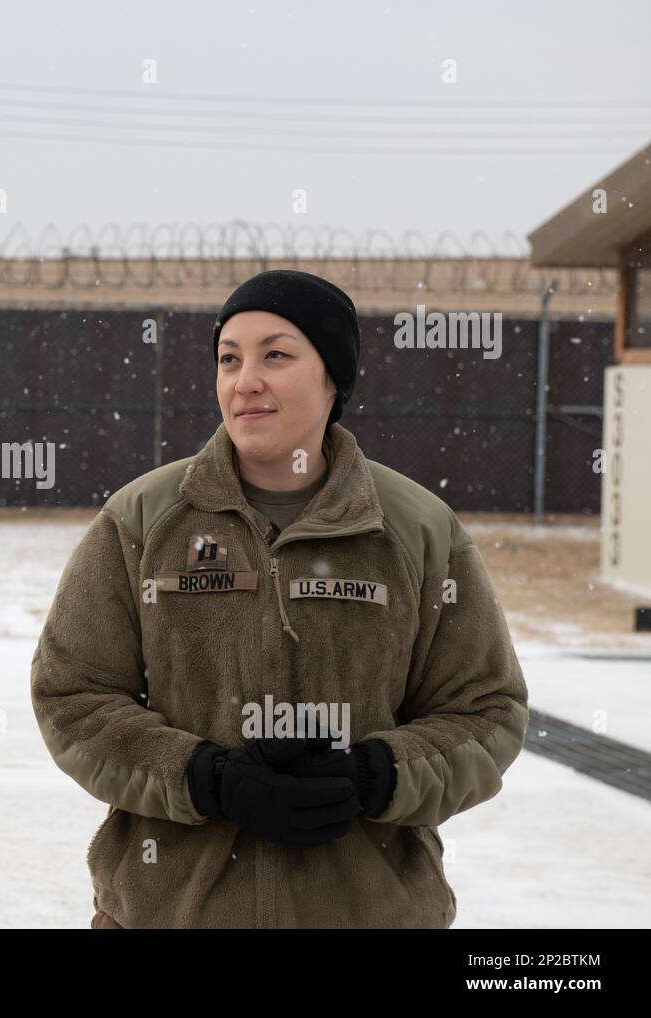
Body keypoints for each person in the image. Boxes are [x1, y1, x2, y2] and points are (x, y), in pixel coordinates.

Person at [30, 269, 529, 928]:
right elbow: (71, 694)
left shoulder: (416, 529)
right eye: (229, 358)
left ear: (333, 379)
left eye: (276, 355)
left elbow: (487, 712)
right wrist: (202, 777)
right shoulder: (144, 520)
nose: (246, 381)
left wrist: (376, 775)